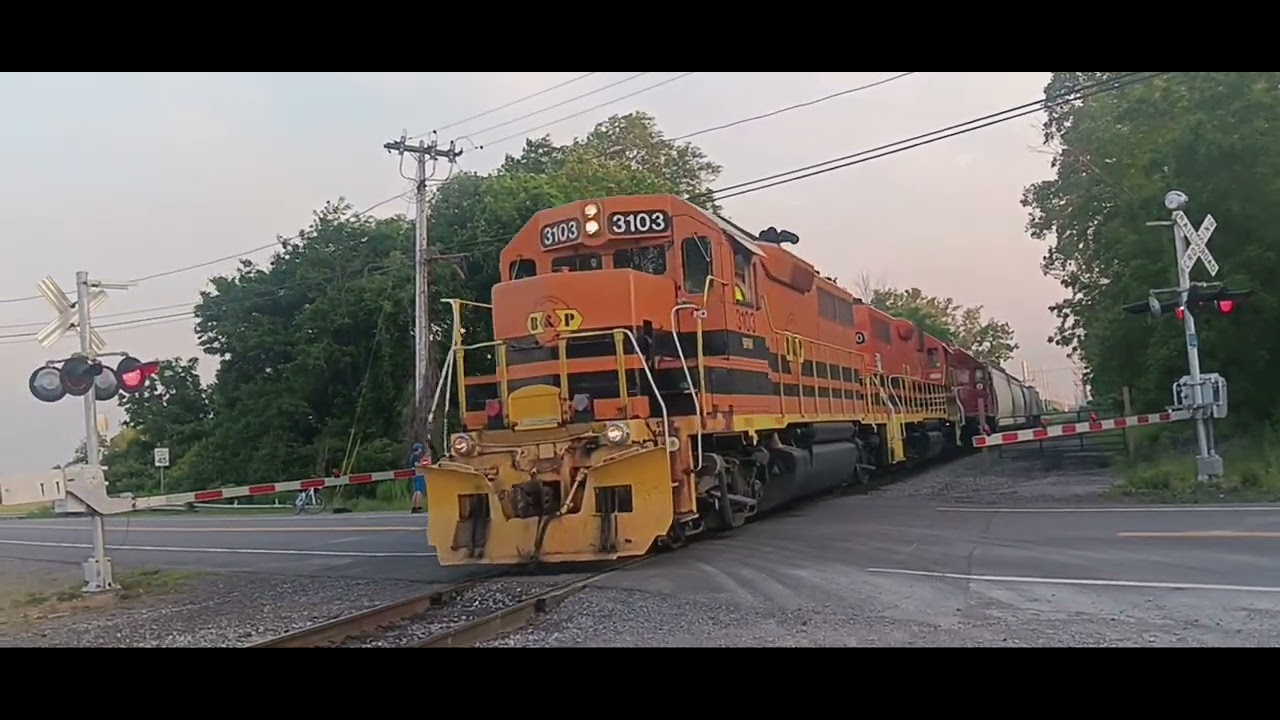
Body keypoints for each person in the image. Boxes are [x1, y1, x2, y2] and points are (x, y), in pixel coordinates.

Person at [408, 441, 428, 514]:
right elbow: (417, 465)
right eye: (420, 448)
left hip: (414, 475)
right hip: (419, 474)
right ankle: (419, 506)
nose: (421, 450)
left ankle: (414, 507)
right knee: (420, 491)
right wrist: (422, 465)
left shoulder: (412, 456)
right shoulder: (416, 456)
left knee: (416, 491)